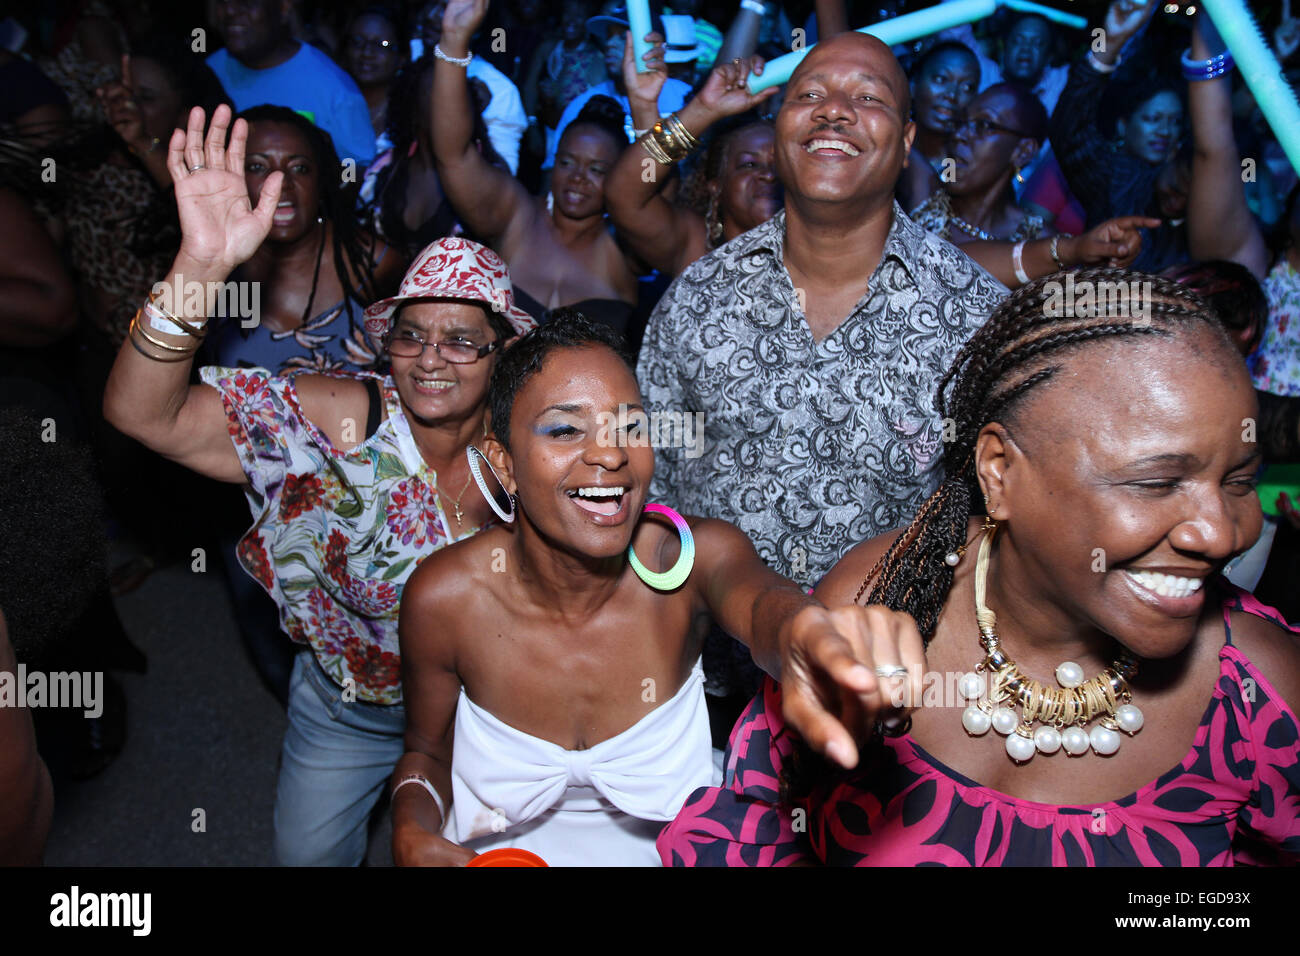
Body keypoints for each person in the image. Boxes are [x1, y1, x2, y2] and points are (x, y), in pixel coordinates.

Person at [662, 268, 1300, 866]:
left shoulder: (1260, 695)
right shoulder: (881, 597)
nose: (1219, 535)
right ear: (999, 470)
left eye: (1239, 481)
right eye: (1158, 481)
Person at [101, 104, 537, 865]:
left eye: (464, 338)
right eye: (412, 333)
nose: (432, 357)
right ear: (386, 343)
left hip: (490, 714)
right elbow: (143, 414)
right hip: (351, 711)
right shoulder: (340, 415)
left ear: (503, 354)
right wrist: (201, 267)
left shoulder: (532, 451)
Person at [391, 311, 928, 866]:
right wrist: (408, 827)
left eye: (629, 427)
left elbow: (765, 604)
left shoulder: (691, 560)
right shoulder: (444, 598)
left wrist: (804, 629)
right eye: (565, 429)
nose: (611, 453)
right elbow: (426, 752)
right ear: (503, 465)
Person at [636, 30, 1006, 731]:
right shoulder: (699, 301)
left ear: (906, 142)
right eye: (808, 94)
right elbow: (655, 503)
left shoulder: (974, 319)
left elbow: (998, 528)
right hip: (706, 697)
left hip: (901, 710)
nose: (832, 110)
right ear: (778, 132)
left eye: (866, 98)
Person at [432, 0, 641, 334]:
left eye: (597, 170)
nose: (577, 178)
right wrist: (454, 41)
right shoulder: (518, 215)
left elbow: (657, 182)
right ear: (552, 162)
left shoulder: (629, 244)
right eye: (567, 162)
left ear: (618, 177)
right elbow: (454, 156)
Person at [605, 41, 780, 277]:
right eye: (749, 164)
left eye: (779, 165)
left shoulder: (819, 250)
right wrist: (703, 110)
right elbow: (626, 196)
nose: (768, 174)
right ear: (716, 185)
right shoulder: (694, 247)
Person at [1051, 0, 1186, 273]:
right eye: (1152, 119)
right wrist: (1109, 44)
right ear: (1124, 126)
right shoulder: (1114, 174)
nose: (1164, 130)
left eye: (1174, 122)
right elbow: (1069, 128)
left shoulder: (1189, 179)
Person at [206, 0, 376, 168]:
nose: (229, 10)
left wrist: (330, 185)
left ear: (284, 6)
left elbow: (359, 170)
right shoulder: (208, 72)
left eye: (246, 3)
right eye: (222, 2)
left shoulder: (335, 89)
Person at [543, 0, 694, 172]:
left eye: (623, 38)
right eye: (609, 37)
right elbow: (554, 172)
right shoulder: (582, 105)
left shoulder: (684, 98)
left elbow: (687, 169)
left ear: (654, 46)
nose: (610, 44)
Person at [909, 83, 1049, 244]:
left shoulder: (1040, 244)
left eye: (983, 125)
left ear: (1023, 151)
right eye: (960, 122)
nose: (958, 135)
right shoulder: (923, 195)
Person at [414, 0, 529, 175]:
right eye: (431, 3)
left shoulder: (500, 90)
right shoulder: (394, 56)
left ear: (476, 20)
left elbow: (503, 181)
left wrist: (473, 117)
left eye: (445, 7)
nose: (430, 16)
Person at [896, 40, 979, 213]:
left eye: (966, 87)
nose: (951, 95)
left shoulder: (959, 166)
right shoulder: (886, 144)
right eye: (941, 79)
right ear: (912, 86)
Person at [340, 6, 407, 156]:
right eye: (358, 41)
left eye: (382, 44)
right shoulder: (330, 101)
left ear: (401, 58)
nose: (367, 52)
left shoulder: (409, 112)